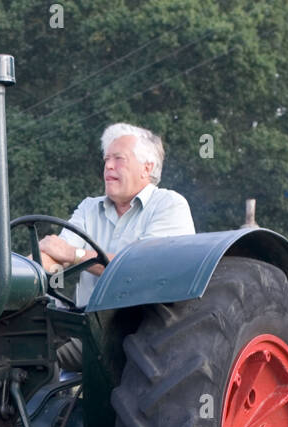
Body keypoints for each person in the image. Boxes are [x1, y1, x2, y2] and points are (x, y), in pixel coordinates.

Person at [39, 122, 195, 309]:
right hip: (86, 330)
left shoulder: (170, 205)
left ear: (147, 168)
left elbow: (144, 270)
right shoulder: (89, 207)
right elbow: (54, 253)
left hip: (147, 330)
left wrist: (74, 254)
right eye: (106, 159)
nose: (108, 166)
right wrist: (20, 274)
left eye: (119, 158)